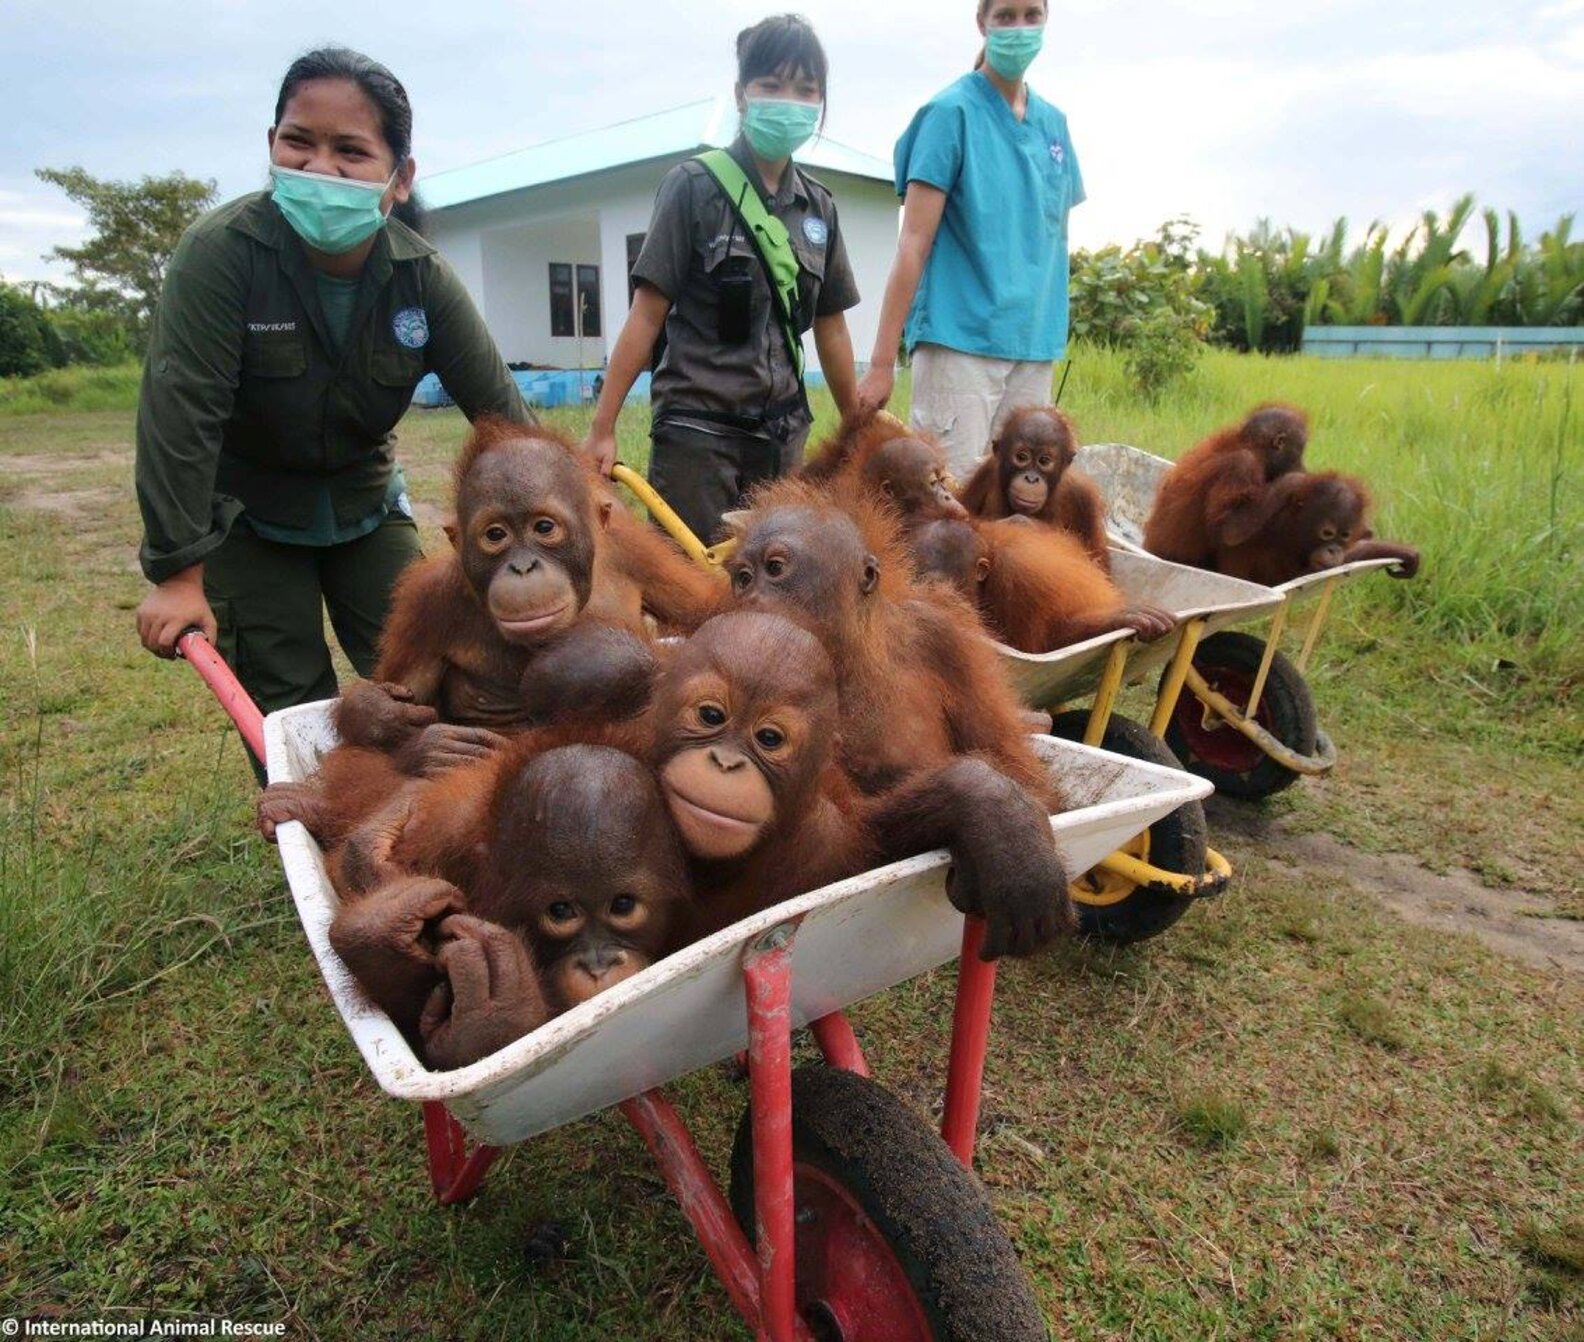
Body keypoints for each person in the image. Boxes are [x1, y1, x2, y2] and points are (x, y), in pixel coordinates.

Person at [133, 48, 533, 773]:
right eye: (299, 143)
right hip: (247, 516)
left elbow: (506, 423)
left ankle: (436, 829)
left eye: (351, 151)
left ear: (399, 176)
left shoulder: (421, 279)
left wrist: (576, 532)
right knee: (292, 701)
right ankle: (331, 843)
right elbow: (180, 416)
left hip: (365, 504)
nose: (321, 170)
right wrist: (177, 574)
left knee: (430, 671)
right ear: (271, 147)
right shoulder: (221, 257)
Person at [581, 14, 860, 545]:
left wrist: (856, 428)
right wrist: (603, 427)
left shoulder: (819, 208)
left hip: (781, 438)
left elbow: (833, 328)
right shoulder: (691, 188)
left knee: (776, 589)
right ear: (741, 94)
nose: (789, 101)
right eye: (771, 85)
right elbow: (647, 314)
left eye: (806, 90)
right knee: (690, 588)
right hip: (698, 436)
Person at [854, 0, 1084, 477]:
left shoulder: (1054, 126)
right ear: (982, 23)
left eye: (1030, 16)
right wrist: (880, 363)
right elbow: (912, 242)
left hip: (1033, 344)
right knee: (949, 501)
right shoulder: (949, 114)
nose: (1018, 28)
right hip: (958, 346)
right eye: (1005, 16)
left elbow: (1053, 236)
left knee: (1020, 503)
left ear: (1046, 20)